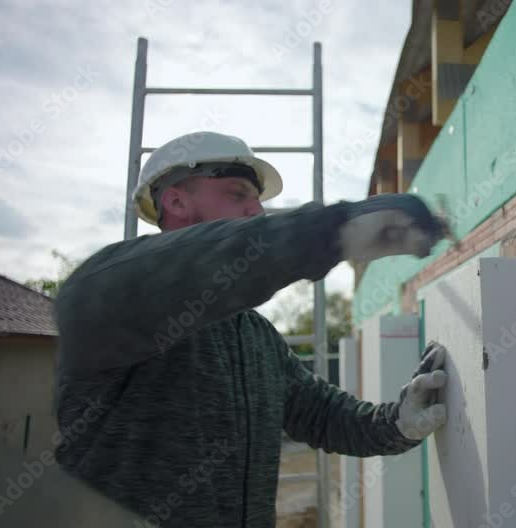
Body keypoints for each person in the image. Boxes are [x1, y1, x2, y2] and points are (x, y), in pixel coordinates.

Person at [53, 131, 449, 527]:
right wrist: (332, 230)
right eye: (238, 193)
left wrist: (397, 423)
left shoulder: (254, 335)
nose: (257, 211)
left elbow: (323, 415)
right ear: (176, 201)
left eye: (257, 199)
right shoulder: (108, 296)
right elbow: (208, 259)